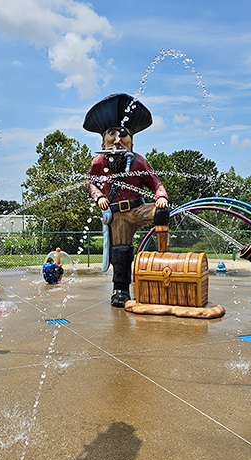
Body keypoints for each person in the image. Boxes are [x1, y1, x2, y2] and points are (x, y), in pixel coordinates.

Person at [84, 93, 170, 307]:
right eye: (111, 134)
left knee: (161, 213)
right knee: (121, 251)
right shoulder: (98, 162)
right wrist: (99, 196)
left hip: (138, 209)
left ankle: (162, 262)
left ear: (131, 139)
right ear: (103, 138)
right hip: (118, 215)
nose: (117, 139)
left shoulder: (139, 162)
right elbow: (90, 183)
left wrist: (161, 198)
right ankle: (121, 289)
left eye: (123, 134)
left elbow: (156, 184)